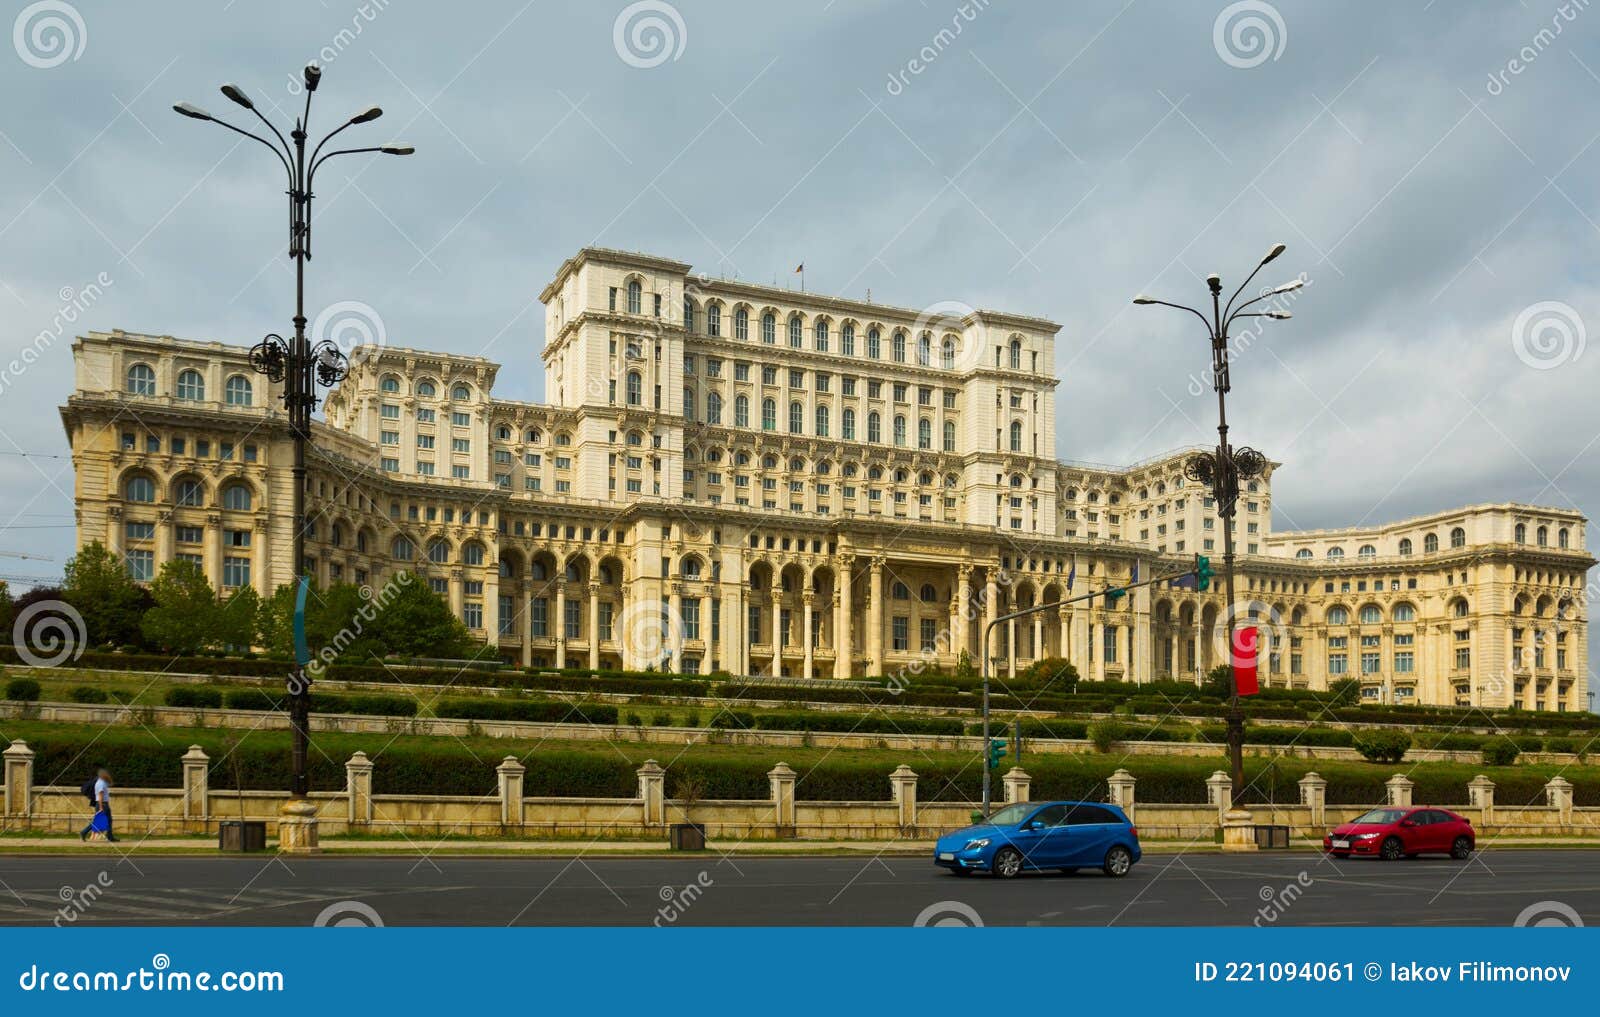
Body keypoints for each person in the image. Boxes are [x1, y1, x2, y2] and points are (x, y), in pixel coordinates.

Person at [80, 768, 116, 843]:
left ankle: (110, 836)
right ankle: (84, 832)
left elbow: (111, 783)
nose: (108, 775)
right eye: (106, 774)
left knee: (109, 820)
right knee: (98, 822)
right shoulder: (100, 783)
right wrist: (101, 807)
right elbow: (100, 796)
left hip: (104, 804)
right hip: (102, 804)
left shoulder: (102, 782)